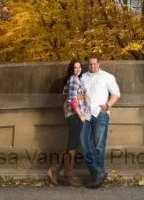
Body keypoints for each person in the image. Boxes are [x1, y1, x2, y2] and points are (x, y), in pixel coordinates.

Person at [47, 59, 91, 187]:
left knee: (73, 143)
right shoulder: (74, 79)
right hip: (74, 114)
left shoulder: (77, 79)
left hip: (74, 114)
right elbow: (72, 99)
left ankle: (55, 170)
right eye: (74, 68)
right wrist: (80, 114)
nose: (77, 69)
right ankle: (68, 174)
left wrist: (81, 97)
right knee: (73, 143)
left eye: (79, 67)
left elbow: (75, 95)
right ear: (71, 69)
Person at [80, 56, 120, 188]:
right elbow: (80, 94)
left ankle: (97, 176)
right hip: (86, 115)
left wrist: (107, 105)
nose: (92, 67)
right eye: (90, 64)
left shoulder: (107, 76)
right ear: (87, 65)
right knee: (84, 143)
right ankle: (99, 173)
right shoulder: (83, 77)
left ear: (99, 64)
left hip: (100, 114)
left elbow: (116, 93)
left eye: (94, 64)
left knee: (98, 145)